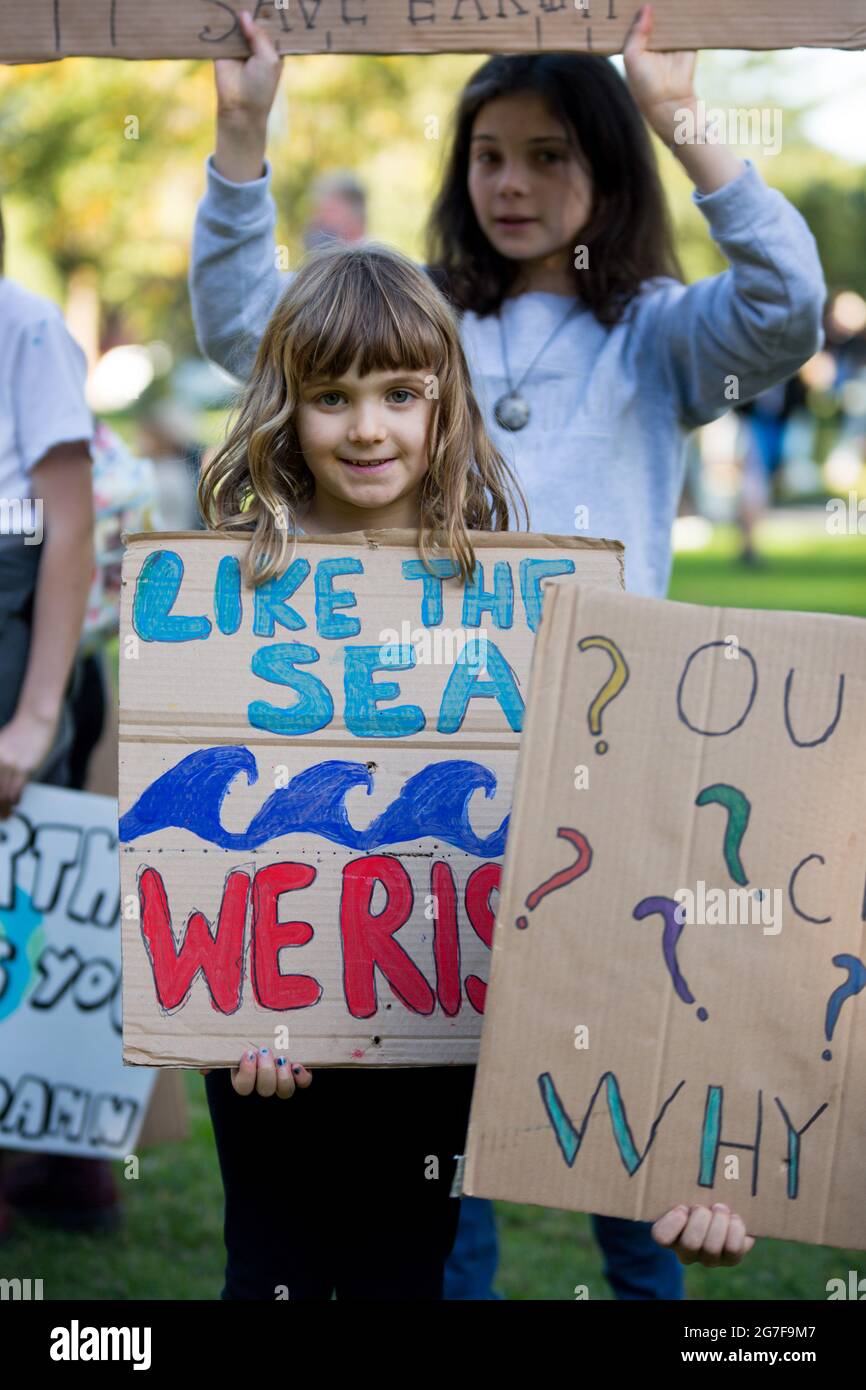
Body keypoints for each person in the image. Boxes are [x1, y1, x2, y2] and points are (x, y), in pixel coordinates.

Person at [188, 6, 821, 1297]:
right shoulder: (423, 325)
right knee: (450, 1123)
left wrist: (679, 113)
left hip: (612, 768)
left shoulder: (654, 336)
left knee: (632, 1115)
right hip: (444, 768)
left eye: (548, 155)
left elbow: (787, 302)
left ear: (604, 171)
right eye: (488, 155)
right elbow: (245, 323)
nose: (514, 184)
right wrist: (242, 132)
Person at [0, 201, 113, 1238]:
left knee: (27, 910)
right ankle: (61, 1167)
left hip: (19, 640)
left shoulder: (24, 326)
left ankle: (58, 1162)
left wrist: (34, 716)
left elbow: (68, 524)